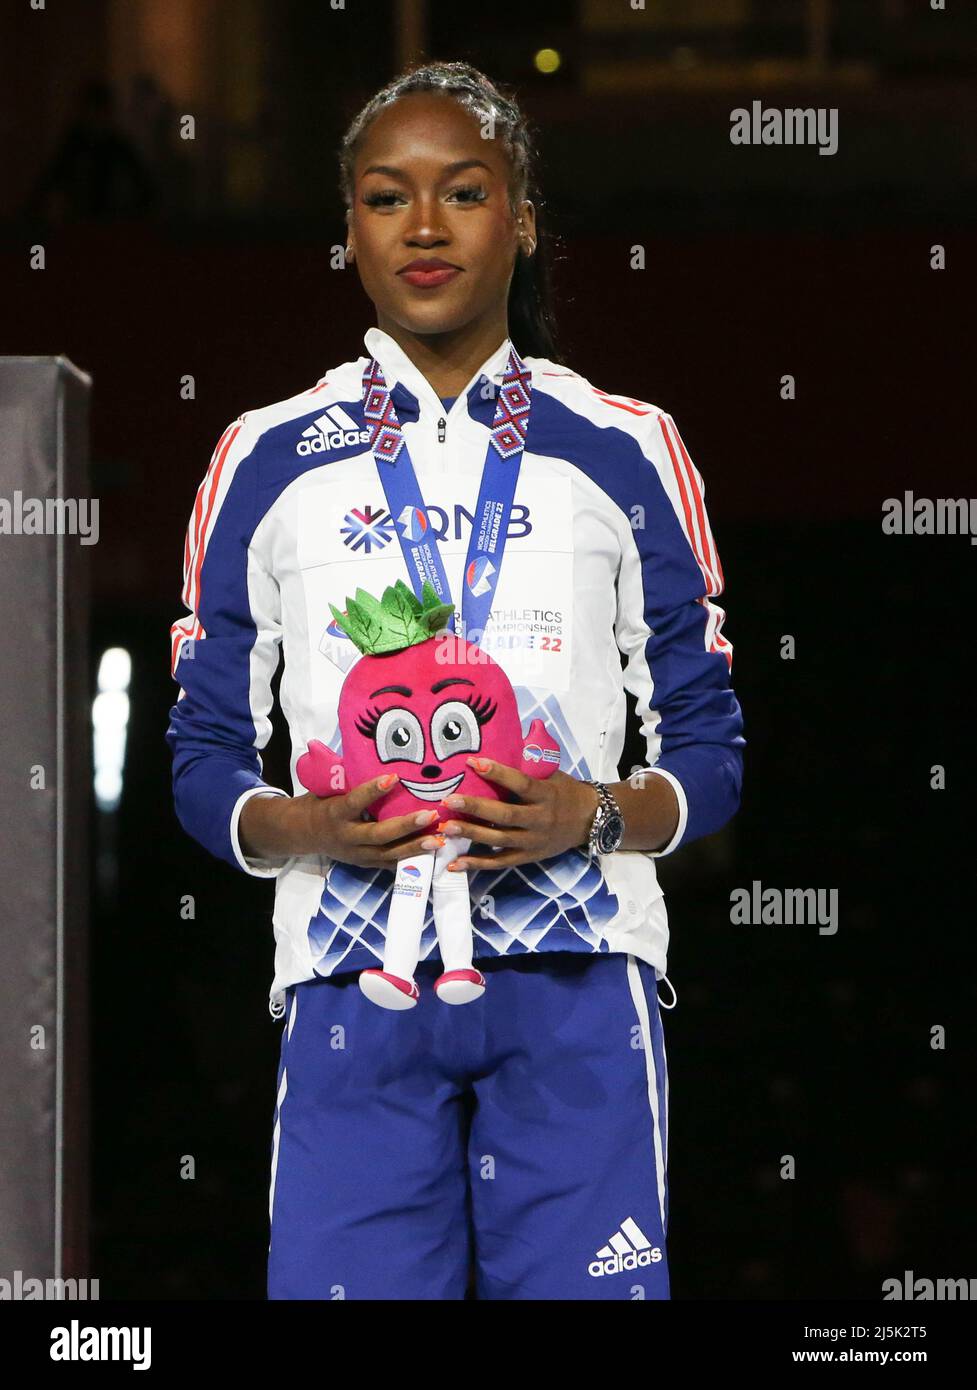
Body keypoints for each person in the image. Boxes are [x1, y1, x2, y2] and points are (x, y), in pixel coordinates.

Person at [166, 60, 745, 1301]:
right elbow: (202, 756)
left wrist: (586, 813)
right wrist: (309, 824)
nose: (423, 228)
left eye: (463, 193)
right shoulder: (262, 458)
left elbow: (708, 747)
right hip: (347, 980)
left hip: (578, 973)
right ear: (349, 231)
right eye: (386, 197)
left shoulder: (624, 444)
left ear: (521, 220)